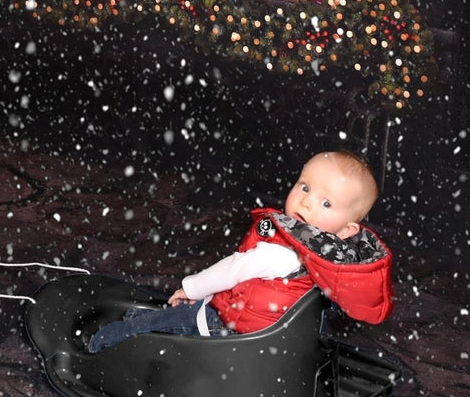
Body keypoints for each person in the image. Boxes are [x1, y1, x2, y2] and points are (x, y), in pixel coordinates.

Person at [88, 150, 392, 351]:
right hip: (263, 327)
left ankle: (102, 344)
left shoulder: (284, 254)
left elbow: (232, 270)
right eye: (305, 187)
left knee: (161, 325)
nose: (307, 202)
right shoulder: (333, 260)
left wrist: (190, 287)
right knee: (187, 311)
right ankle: (146, 318)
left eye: (326, 203)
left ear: (348, 229)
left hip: (229, 327)